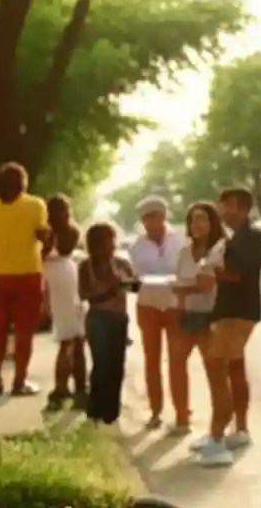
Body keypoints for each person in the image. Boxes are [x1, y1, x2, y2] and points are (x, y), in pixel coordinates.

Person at [169, 201, 231, 467]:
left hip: (212, 318)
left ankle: (219, 440)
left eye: (203, 219)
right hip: (189, 317)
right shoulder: (184, 252)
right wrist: (180, 306)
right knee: (176, 362)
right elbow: (183, 284)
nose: (198, 225)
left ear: (213, 223)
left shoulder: (220, 249)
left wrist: (181, 290)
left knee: (216, 376)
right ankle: (200, 428)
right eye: (194, 220)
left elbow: (206, 286)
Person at [0, 162, 51, 396]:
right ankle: (19, 381)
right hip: (28, 274)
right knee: (24, 331)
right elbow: (44, 236)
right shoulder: (35, 205)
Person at [208, 187, 261, 450]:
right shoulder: (232, 238)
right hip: (228, 310)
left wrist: (211, 272)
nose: (223, 211)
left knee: (219, 366)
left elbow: (237, 274)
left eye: (228, 205)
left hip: (239, 311)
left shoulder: (250, 237)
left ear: (242, 208)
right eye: (221, 205)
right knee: (233, 368)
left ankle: (221, 435)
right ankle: (239, 427)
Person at [128, 195, 189, 432]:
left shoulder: (181, 241)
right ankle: (155, 412)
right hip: (148, 305)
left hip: (175, 304)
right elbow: (136, 276)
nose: (152, 223)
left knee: (177, 361)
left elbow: (187, 271)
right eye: (147, 219)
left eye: (156, 217)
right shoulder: (137, 246)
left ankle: (183, 415)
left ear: (164, 217)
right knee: (151, 360)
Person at [78, 222, 139, 425]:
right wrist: (112, 289)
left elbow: (135, 287)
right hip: (98, 319)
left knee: (117, 366)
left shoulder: (121, 263)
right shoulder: (86, 267)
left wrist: (132, 282)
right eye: (107, 242)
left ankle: (112, 411)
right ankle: (96, 409)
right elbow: (85, 295)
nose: (112, 246)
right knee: (101, 364)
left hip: (118, 319)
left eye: (113, 241)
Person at [41, 195, 87, 411]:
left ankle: (61, 388)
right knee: (77, 338)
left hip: (52, 277)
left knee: (66, 338)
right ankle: (80, 387)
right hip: (69, 275)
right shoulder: (72, 232)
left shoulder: (44, 235)